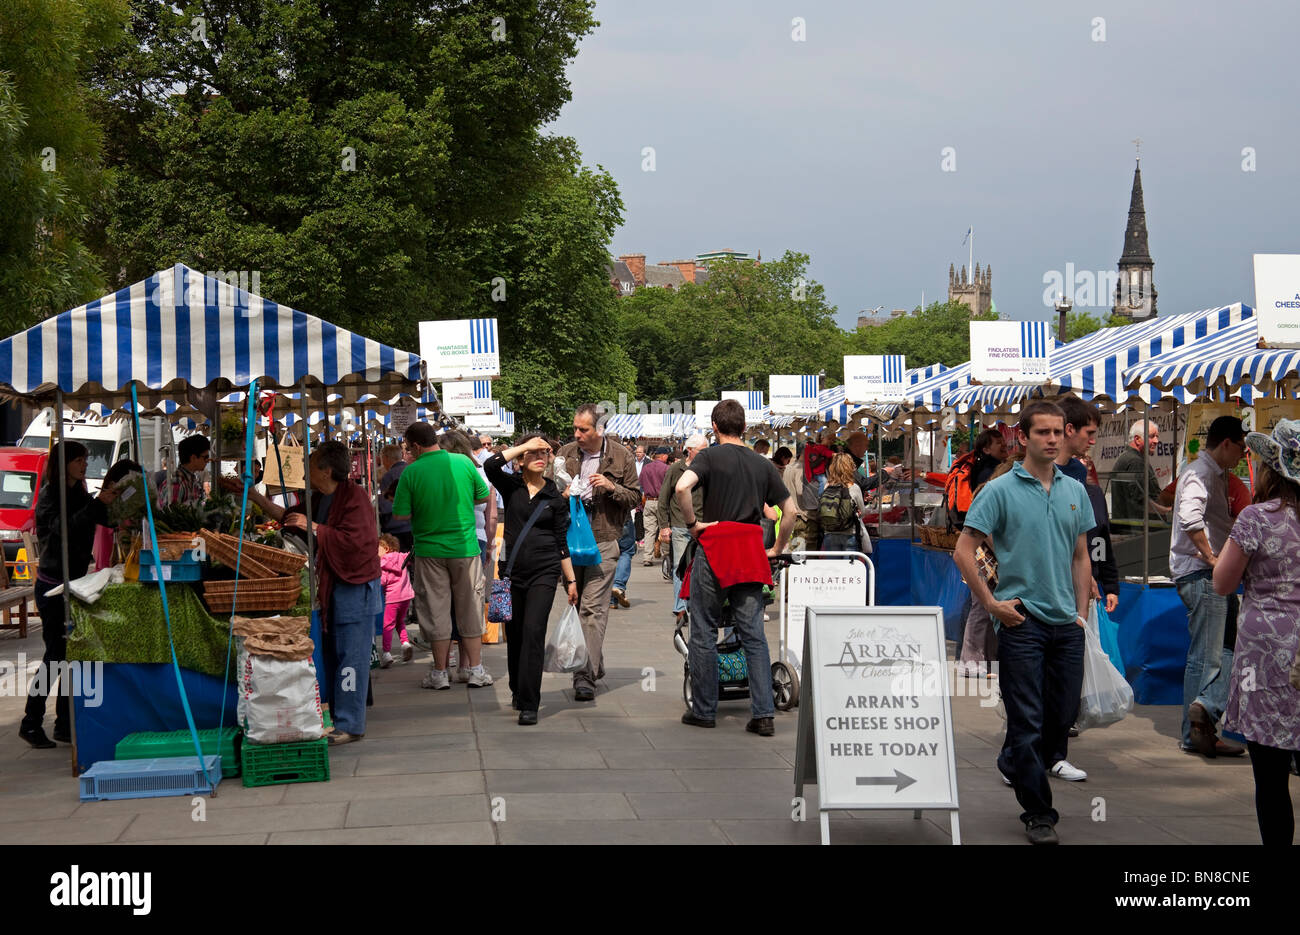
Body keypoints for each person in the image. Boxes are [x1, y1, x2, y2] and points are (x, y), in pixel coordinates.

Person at [952, 400, 1094, 845]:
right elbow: (964, 549)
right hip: (1021, 622)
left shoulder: (1075, 490)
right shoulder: (999, 491)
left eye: (1057, 432)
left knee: (1062, 716)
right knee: (1028, 719)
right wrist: (992, 604)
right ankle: (1038, 812)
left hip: (1065, 624)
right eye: (1042, 433)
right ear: (1023, 437)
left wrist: (1081, 616)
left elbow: (1080, 555)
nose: (1052, 439)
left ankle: (1015, 760)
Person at [675, 399, 796, 736]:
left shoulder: (708, 457)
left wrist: (693, 524)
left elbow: (682, 487)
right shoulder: (763, 465)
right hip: (749, 548)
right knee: (753, 635)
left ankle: (704, 710)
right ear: (745, 428)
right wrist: (776, 548)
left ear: (714, 427)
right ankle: (763, 714)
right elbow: (791, 512)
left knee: (704, 630)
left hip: (715, 545)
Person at [1213, 418, 1300, 845]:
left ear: (1271, 469)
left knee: (1271, 775)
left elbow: (1223, 583)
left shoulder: (1257, 519)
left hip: (1266, 654)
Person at [19, 442, 119, 749]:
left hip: (76, 583)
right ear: (63, 464)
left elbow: (102, 519)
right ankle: (30, 722)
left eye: (85, 460)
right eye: (78, 460)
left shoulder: (79, 492)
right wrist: (95, 504)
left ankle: (65, 723)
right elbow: (64, 528)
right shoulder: (51, 495)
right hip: (53, 587)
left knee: (70, 655)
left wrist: (116, 500)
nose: (84, 465)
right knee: (55, 657)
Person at [392, 422, 494, 690]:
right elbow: (482, 497)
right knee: (470, 609)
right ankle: (475, 669)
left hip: (429, 551)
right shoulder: (462, 462)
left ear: (415, 446)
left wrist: (424, 506)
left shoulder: (411, 472)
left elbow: (400, 514)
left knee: (437, 611)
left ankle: (439, 673)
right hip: (465, 548)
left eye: (407, 447)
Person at [485, 435, 579, 725]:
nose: (541, 457)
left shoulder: (554, 495)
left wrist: (571, 579)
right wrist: (525, 446)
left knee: (533, 632)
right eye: (533, 453)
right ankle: (518, 687)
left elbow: (561, 541)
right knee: (515, 636)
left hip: (545, 571)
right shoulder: (511, 486)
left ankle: (530, 702)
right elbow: (491, 465)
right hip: (512, 573)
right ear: (522, 458)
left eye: (544, 453)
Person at [1171, 415, 1248, 759]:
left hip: (1210, 574)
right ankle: (1196, 726)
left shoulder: (1212, 475)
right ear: (1227, 443)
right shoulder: (1200, 473)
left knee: (1226, 649)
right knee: (1207, 656)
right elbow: (1190, 518)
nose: (1241, 456)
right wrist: (1213, 559)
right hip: (1202, 574)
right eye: (1240, 449)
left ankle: (1204, 722)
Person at [554, 404, 642, 701]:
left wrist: (611, 486)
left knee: (593, 609)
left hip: (604, 537)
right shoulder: (565, 454)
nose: (577, 434)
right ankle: (595, 662)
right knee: (578, 606)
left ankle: (585, 677)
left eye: (583, 430)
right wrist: (562, 494)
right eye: (575, 429)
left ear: (599, 430)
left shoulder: (622, 455)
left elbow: (635, 497)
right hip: (570, 536)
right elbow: (549, 492)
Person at [660, 434, 708, 622]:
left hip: (703, 525)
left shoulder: (707, 469)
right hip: (680, 525)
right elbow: (663, 498)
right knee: (681, 566)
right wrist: (664, 526)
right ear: (690, 450)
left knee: (700, 568)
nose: (706, 453)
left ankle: (696, 606)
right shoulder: (675, 469)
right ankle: (681, 608)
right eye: (702, 450)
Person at [1110, 420, 1172, 526]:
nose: (1156, 441)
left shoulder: (1132, 458)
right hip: (1139, 532)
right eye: (1152, 436)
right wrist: (1166, 510)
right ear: (1137, 439)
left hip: (1135, 529)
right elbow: (1142, 501)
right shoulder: (1135, 462)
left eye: (1157, 436)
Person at [378, 533, 414, 667]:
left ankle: (386, 653)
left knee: (387, 626)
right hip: (406, 597)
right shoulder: (402, 557)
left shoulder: (382, 563)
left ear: (386, 548)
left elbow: (383, 581)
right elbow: (410, 556)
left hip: (392, 598)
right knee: (400, 622)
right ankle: (405, 643)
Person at [818, 453, 865, 553]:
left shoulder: (827, 486)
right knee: (849, 567)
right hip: (850, 533)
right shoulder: (854, 487)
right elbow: (863, 512)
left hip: (830, 533)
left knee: (833, 568)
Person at [157, 434, 211, 508]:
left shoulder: (191, 479)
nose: (208, 461)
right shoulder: (177, 484)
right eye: (206, 457)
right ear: (193, 458)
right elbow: (171, 516)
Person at [377, 443, 412, 552]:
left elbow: (386, 506)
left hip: (396, 528)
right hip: (413, 525)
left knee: (399, 563)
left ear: (386, 458)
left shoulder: (389, 476)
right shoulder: (411, 470)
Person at [638, 447, 670, 565]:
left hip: (649, 501)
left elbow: (640, 483)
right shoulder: (667, 468)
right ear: (664, 456)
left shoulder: (646, 468)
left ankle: (647, 557)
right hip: (663, 502)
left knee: (649, 531)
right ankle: (667, 555)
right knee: (665, 528)